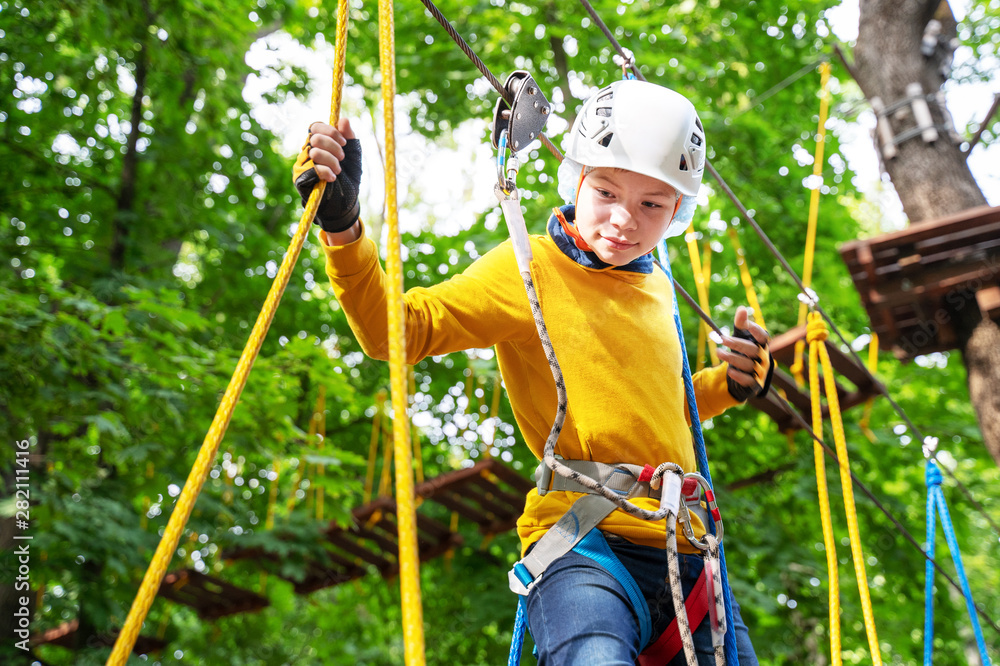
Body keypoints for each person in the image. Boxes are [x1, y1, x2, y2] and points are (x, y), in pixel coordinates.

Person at [293, 79, 770, 665]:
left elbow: (664, 408)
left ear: (678, 210)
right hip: (585, 543)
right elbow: (401, 330)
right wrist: (343, 229)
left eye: (652, 204)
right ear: (575, 179)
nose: (624, 220)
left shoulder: (654, 286)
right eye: (606, 191)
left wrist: (732, 382)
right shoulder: (528, 268)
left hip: (689, 550)